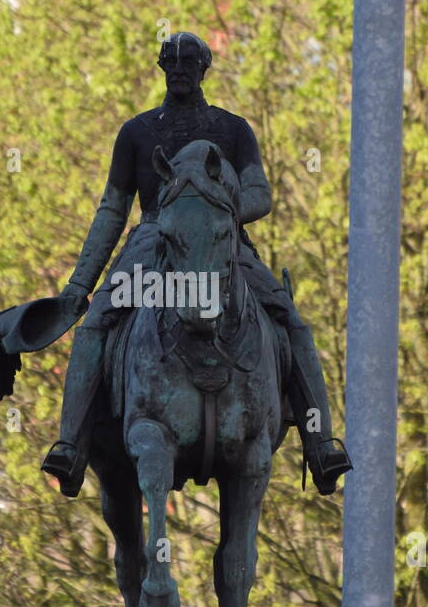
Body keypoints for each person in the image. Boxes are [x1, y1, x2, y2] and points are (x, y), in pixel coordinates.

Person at [42, 31, 351, 496]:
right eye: (172, 61)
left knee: (289, 320)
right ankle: (70, 445)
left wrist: (214, 215)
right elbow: (112, 210)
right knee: (96, 323)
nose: (180, 70)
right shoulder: (136, 132)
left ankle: (320, 442)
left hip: (226, 246)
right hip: (151, 243)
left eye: (189, 62)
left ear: (205, 68)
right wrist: (79, 285)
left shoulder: (232, 128)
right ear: (162, 66)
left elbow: (260, 194)